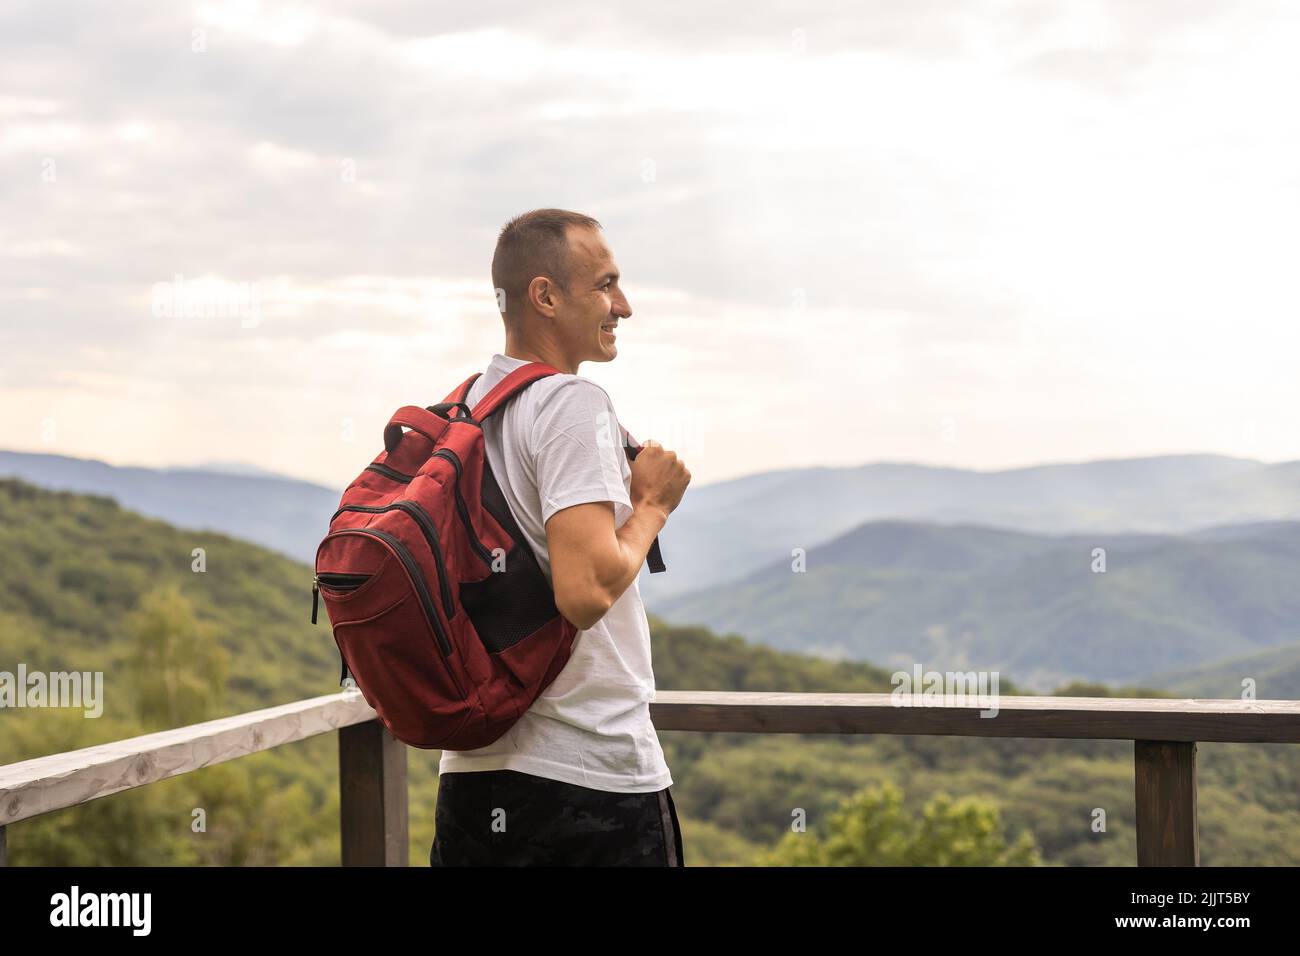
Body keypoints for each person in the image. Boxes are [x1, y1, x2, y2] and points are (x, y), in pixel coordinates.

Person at [430, 208, 691, 866]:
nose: (623, 306)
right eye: (605, 284)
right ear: (545, 295)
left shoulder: (463, 412)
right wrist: (653, 504)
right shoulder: (571, 403)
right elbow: (585, 590)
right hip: (588, 783)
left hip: (471, 781)